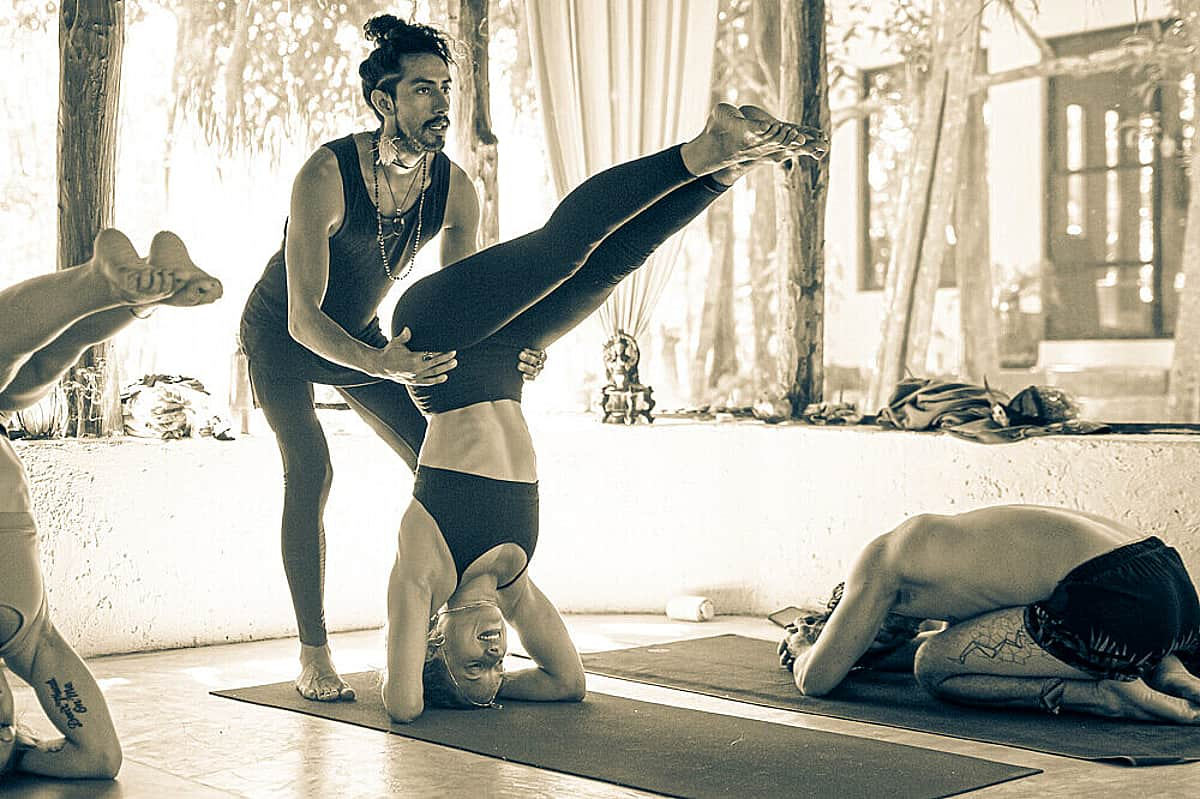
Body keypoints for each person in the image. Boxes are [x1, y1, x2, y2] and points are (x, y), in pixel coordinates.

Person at [381, 103, 828, 722]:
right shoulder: (514, 584)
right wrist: (492, 689)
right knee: (611, 267)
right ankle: (727, 169)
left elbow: (401, 706)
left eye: (473, 662)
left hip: (435, 345)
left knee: (562, 252)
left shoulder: (424, 572)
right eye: (500, 661)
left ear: (434, 642)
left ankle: (701, 149)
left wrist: (437, 688)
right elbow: (569, 683)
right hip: (507, 355)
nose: (495, 653)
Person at [238, 15, 548, 703]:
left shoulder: (456, 190)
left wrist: (520, 347)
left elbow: (468, 312)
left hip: (366, 339)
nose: (441, 103)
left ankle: (443, 621)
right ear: (384, 101)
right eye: (422, 90)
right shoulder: (326, 174)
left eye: (445, 88)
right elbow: (302, 316)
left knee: (440, 459)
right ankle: (314, 652)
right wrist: (382, 365)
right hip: (283, 336)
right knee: (312, 467)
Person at [1, 229, 221, 778]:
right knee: (31, 368)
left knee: (27, 368)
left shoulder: (22, 633)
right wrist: (23, 750)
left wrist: (23, 752)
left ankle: (121, 295)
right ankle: (122, 293)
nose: (8, 717)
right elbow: (99, 760)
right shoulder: (20, 636)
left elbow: (98, 758)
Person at [777, 505, 1200, 724]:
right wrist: (871, 654)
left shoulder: (876, 566)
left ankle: (1110, 696)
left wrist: (803, 644)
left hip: (1109, 603)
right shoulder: (945, 554)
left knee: (934, 667)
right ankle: (1169, 672)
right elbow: (984, 645)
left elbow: (816, 681)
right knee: (946, 648)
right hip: (1167, 584)